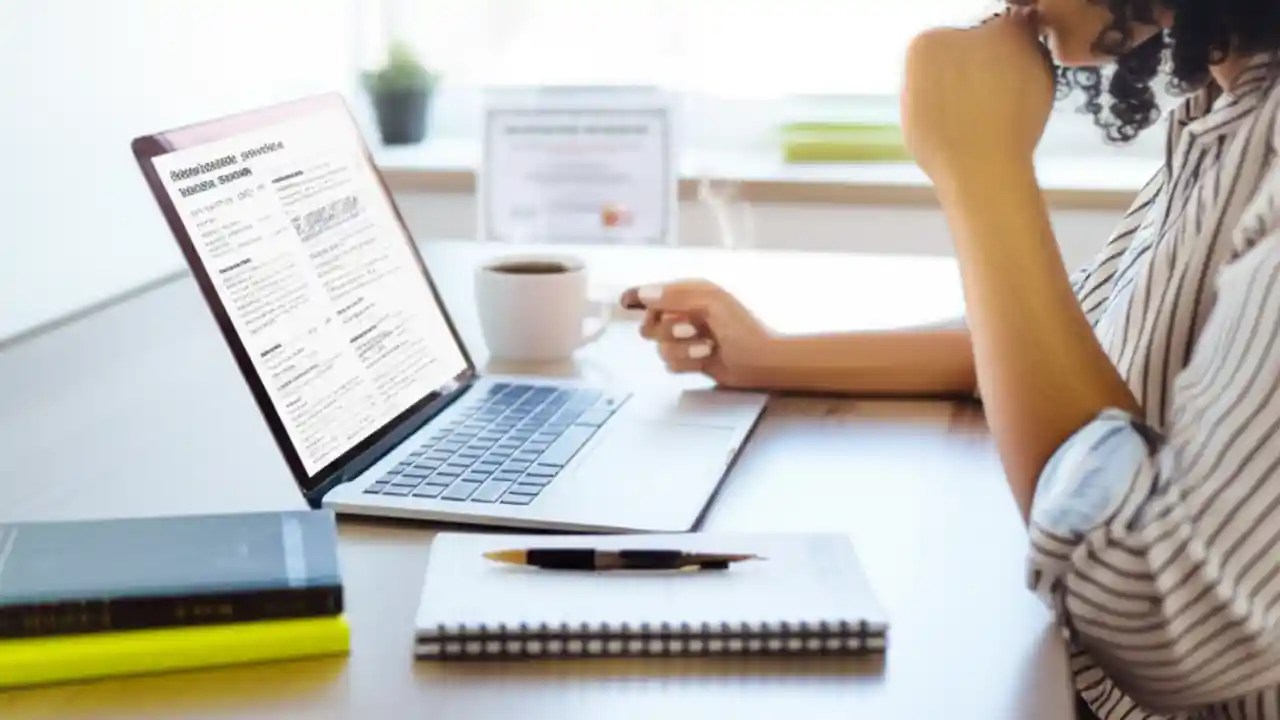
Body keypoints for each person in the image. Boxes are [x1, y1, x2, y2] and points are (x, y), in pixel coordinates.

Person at [623, 1, 1280, 718]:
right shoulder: (1226, 113)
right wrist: (767, 356)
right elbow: (1057, 353)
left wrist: (984, 167)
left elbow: (1166, 618)